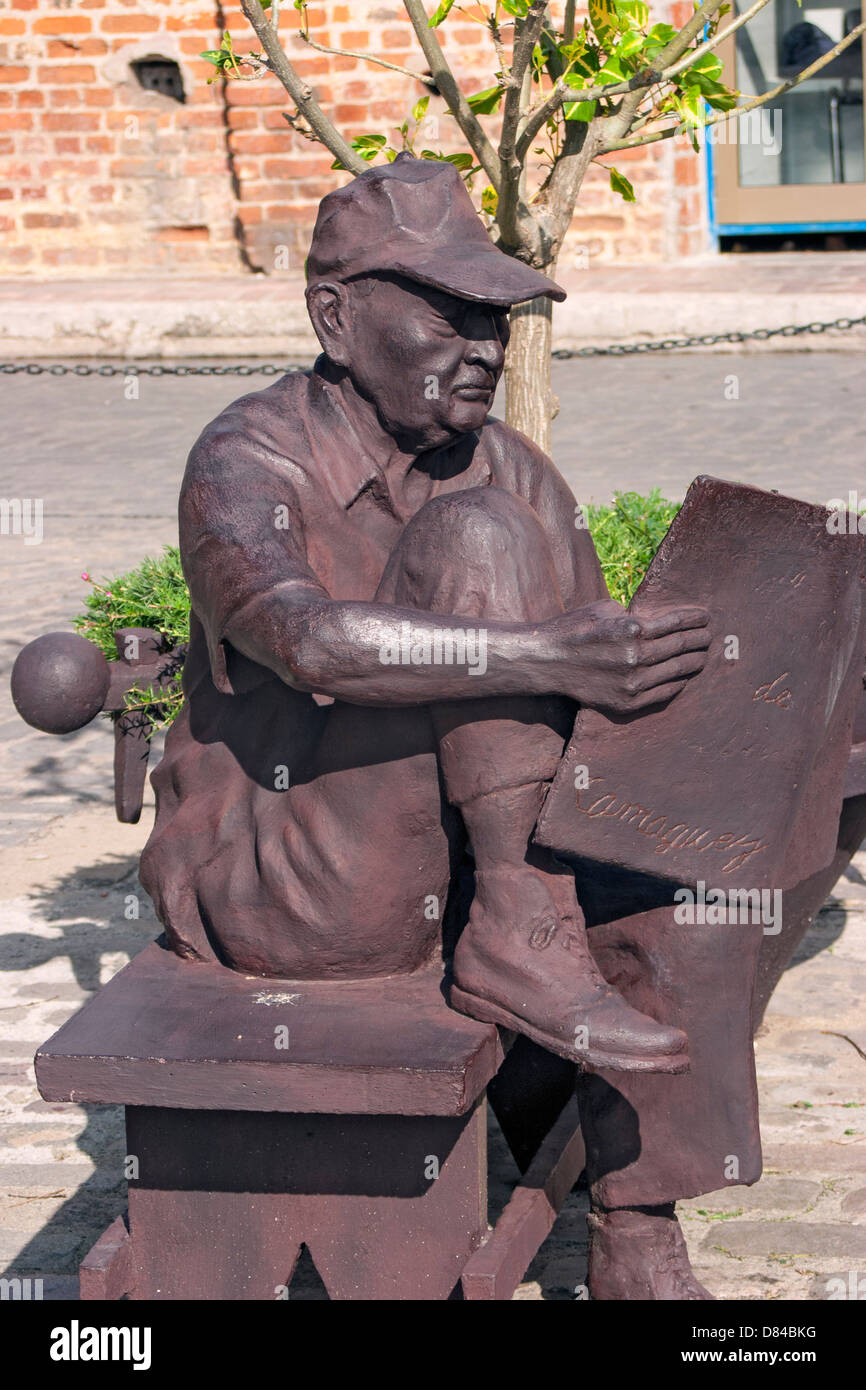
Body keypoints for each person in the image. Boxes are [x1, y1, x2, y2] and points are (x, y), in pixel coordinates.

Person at [140, 153, 721, 1296]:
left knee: (659, 884)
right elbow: (302, 640)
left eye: (495, 320)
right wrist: (545, 652)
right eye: (447, 313)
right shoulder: (245, 456)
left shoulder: (509, 461)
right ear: (335, 315)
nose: (484, 347)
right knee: (479, 541)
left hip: (461, 856)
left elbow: (578, 702)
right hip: (296, 875)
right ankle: (516, 921)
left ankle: (635, 1224)